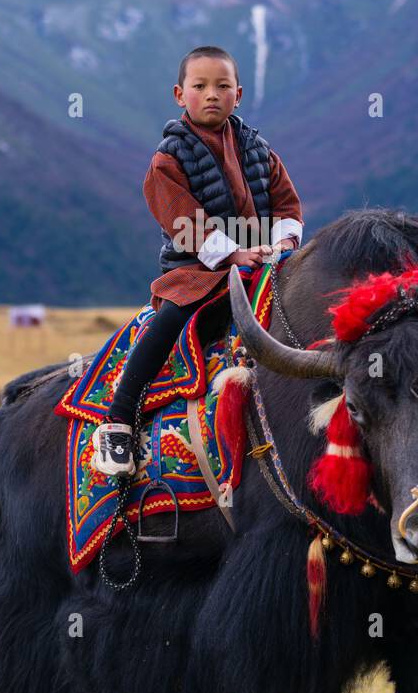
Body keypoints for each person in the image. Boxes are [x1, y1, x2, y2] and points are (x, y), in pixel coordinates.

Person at [92, 45, 304, 475]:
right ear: (179, 94)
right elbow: (181, 220)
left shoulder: (259, 150)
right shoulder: (167, 160)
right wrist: (233, 253)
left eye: (222, 86)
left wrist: (281, 244)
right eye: (200, 86)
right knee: (169, 319)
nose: (212, 94)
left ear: (238, 94)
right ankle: (118, 419)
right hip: (197, 270)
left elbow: (286, 205)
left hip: (262, 264)